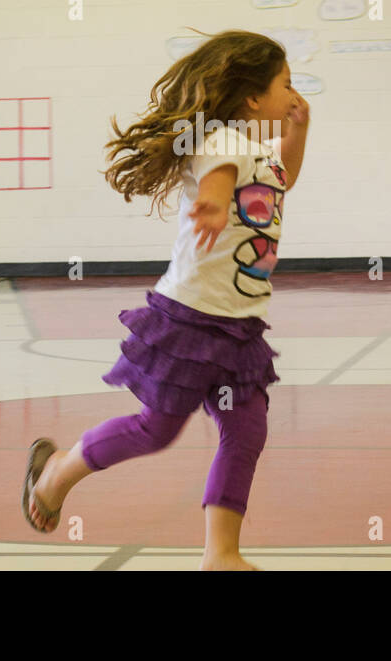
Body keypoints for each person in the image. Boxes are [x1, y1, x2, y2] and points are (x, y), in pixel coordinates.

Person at [21, 29, 310, 570]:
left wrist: (300, 128)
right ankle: (57, 472)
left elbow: (283, 176)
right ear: (252, 97)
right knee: (156, 429)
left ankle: (220, 554)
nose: (294, 95)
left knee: (246, 430)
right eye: (286, 86)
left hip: (240, 324)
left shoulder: (259, 154)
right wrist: (214, 204)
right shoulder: (221, 143)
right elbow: (217, 177)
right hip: (194, 319)